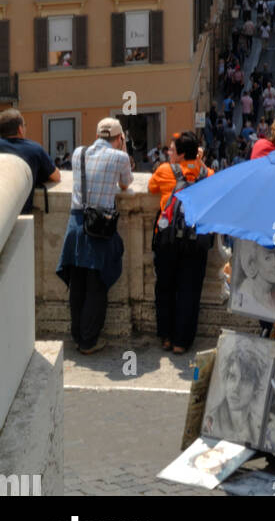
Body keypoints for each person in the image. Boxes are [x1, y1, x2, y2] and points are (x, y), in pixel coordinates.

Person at [56, 119, 133, 355]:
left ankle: (78, 335)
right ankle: (88, 341)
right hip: (99, 227)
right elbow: (125, 183)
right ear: (119, 139)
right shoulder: (120, 157)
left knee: (77, 283)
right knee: (96, 285)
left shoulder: (79, 153)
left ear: (98, 135)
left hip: (76, 225)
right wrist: (124, 152)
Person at [148, 132, 213, 353]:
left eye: (172, 150)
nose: (168, 153)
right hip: (196, 241)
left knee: (165, 287)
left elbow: (151, 188)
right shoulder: (209, 174)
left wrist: (172, 164)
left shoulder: (165, 170)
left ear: (181, 154)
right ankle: (181, 342)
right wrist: (199, 162)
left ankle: (165, 336)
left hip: (168, 240)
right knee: (190, 290)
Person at [0, 109, 60, 214]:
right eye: (24, 125)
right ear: (20, 129)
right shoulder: (35, 149)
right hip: (20, 216)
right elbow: (56, 176)